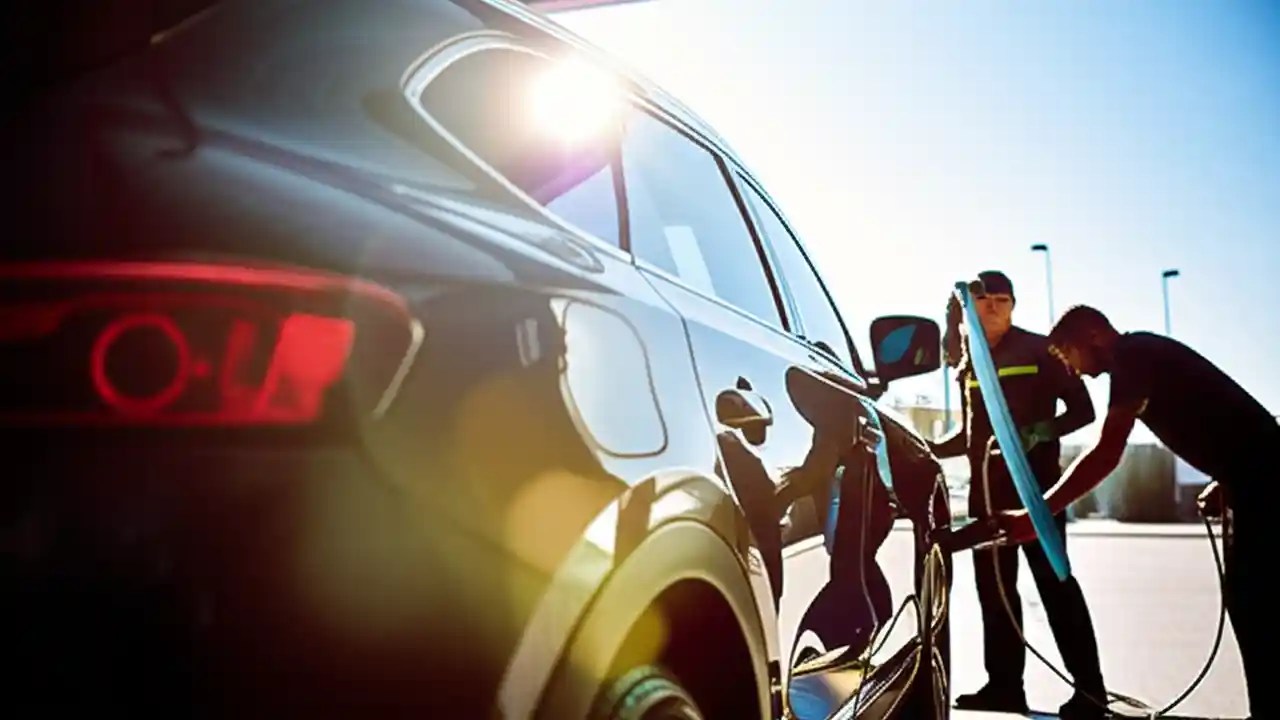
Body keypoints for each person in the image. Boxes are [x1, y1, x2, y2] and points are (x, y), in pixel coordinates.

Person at [991, 305, 1274, 720]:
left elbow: (1106, 453)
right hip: (1256, 479)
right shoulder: (1141, 354)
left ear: (1091, 335)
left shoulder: (1132, 356)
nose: (1072, 370)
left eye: (1068, 355)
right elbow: (1230, 419)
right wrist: (1228, 478)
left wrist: (1036, 515)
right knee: (1253, 600)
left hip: (1266, 482)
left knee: (1258, 601)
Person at [928, 271, 1107, 718]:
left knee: (1056, 588)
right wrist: (928, 449)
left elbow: (1084, 411)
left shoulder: (1038, 350)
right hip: (985, 497)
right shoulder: (969, 360)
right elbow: (970, 433)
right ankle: (1005, 686)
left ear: (1014, 306)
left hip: (1036, 493)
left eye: (1002, 301)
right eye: (983, 300)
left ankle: (1090, 691)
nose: (992, 308)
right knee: (994, 592)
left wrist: (1039, 431)